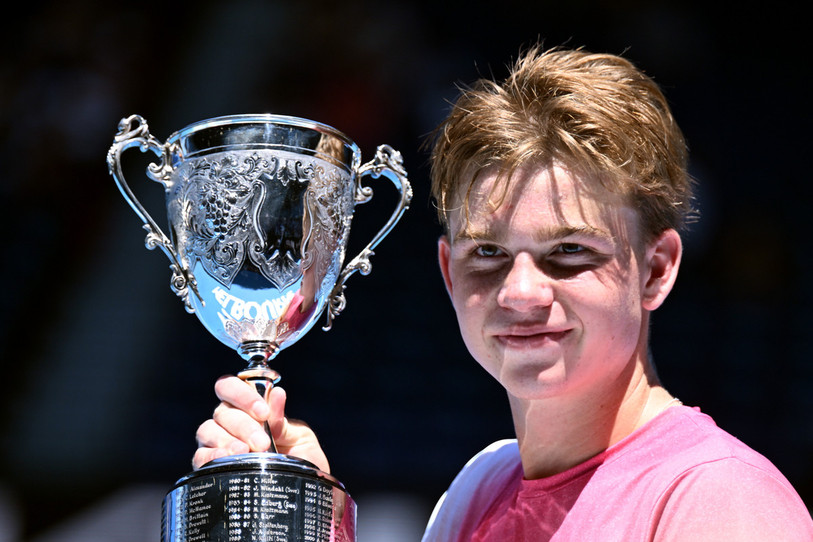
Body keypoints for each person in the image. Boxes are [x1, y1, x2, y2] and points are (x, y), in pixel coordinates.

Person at [193, 45, 813, 540]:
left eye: (569, 252)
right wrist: (314, 521)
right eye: (487, 253)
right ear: (448, 273)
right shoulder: (478, 489)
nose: (519, 292)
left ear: (656, 270)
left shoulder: (717, 498)